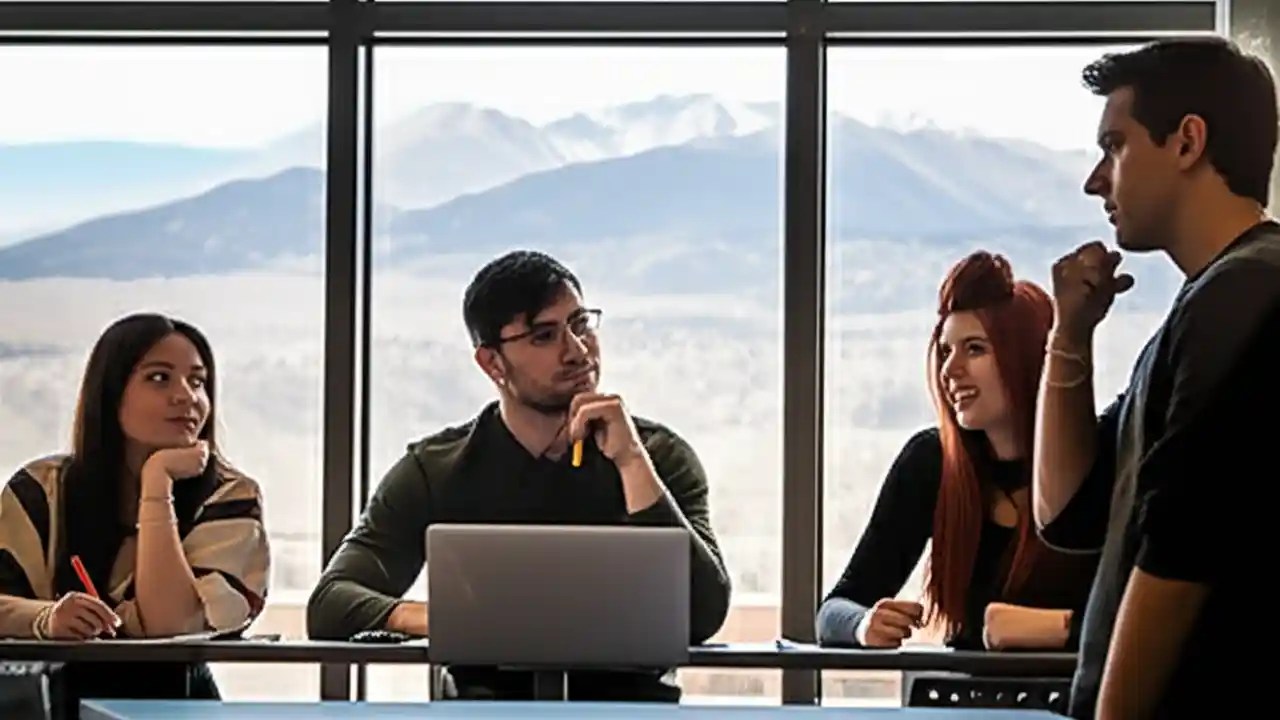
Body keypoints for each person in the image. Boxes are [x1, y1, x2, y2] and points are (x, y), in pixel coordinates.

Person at [307, 249, 731, 701]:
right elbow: (331, 603)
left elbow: (705, 612)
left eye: (581, 324)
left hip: (634, 713)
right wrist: (453, 620)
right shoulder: (436, 469)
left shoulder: (659, 457)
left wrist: (630, 461)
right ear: (492, 363)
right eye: (545, 336)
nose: (577, 350)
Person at [1033, 37, 1280, 719]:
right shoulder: (1208, 302)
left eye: (1115, 145)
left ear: (1187, 141)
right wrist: (1069, 333)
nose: (1095, 179)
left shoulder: (1245, 293)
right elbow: (1069, 513)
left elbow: (1184, 550)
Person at [818, 252, 1098, 652]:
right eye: (946, 351)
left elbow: (1148, 617)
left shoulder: (1097, 458)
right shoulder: (931, 462)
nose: (951, 370)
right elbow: (834, 610)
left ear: (1029, 356)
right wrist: (863, 624)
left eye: (975, 349)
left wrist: (1059, 627)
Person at [0, 313, 270, 703]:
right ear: (110, 393)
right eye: (159, 378)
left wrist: (157, 482)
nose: (186, 396)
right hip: (44, 701)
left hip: (171, 705)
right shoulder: (42, 489)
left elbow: (171, 626)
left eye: (198, 381)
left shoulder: (230, 496)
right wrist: (46, 619)